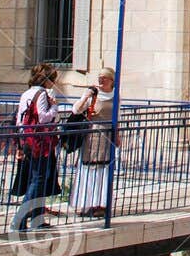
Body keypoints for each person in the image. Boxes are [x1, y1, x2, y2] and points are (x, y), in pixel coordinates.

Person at [12, 63, 62, 232]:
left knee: (39, 177)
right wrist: (55, 107)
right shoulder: (42, 94)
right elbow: (43, 118)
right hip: (39, 142)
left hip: (27, 139)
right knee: (39, 179)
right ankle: (20, 218)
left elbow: (20, 119)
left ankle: (37, 219)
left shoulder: (26, 92)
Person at [68, 67, 118, 217]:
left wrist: (118, 135)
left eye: (104, 77)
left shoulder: (116, 96)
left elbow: (118, 115)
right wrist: (86, 96)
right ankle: (85, 203)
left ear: (111, 80)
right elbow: (76, 110)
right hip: (92, 135)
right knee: (89, 169)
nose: (101, 80)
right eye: (99, 77)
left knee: (103, 170)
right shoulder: (92, 95)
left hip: (107, 135)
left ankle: (101, 204)